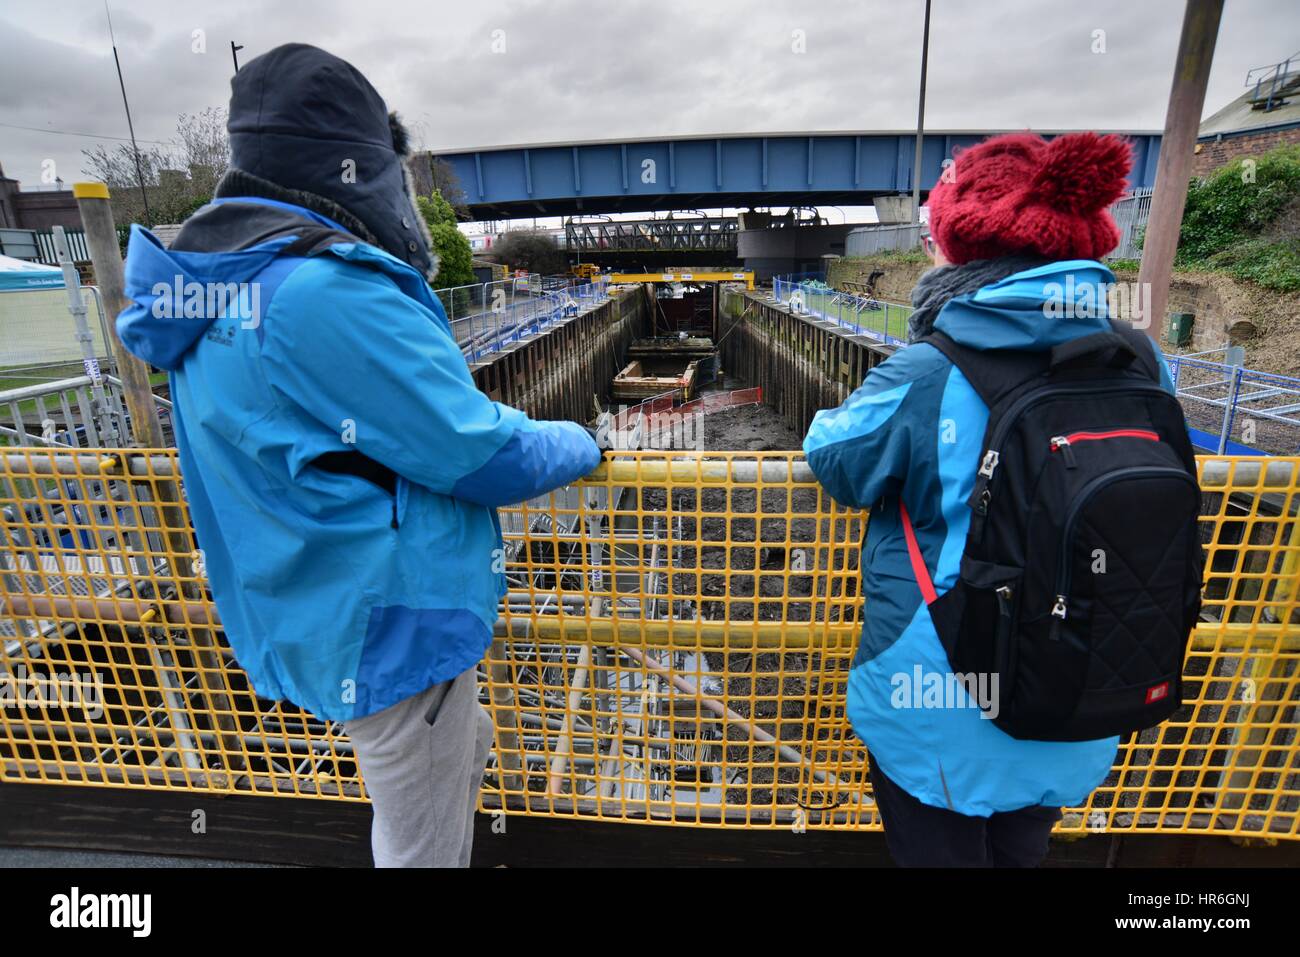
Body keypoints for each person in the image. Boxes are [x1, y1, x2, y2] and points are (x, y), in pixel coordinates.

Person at [116, 43, 601, 867]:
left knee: (440, 763)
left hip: (304, 603)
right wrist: (584, 439)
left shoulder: (210, 293)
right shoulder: (322, 292)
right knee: (421, 841)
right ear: (358, 168)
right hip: (390, 619)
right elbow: (478, 452)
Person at [803, 131, 1176, 867]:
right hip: (1082, 677)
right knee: (1023, 840)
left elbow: (835, 458)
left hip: (940, 695)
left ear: (959, 247)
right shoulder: (1138, 357)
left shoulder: (929, 368)